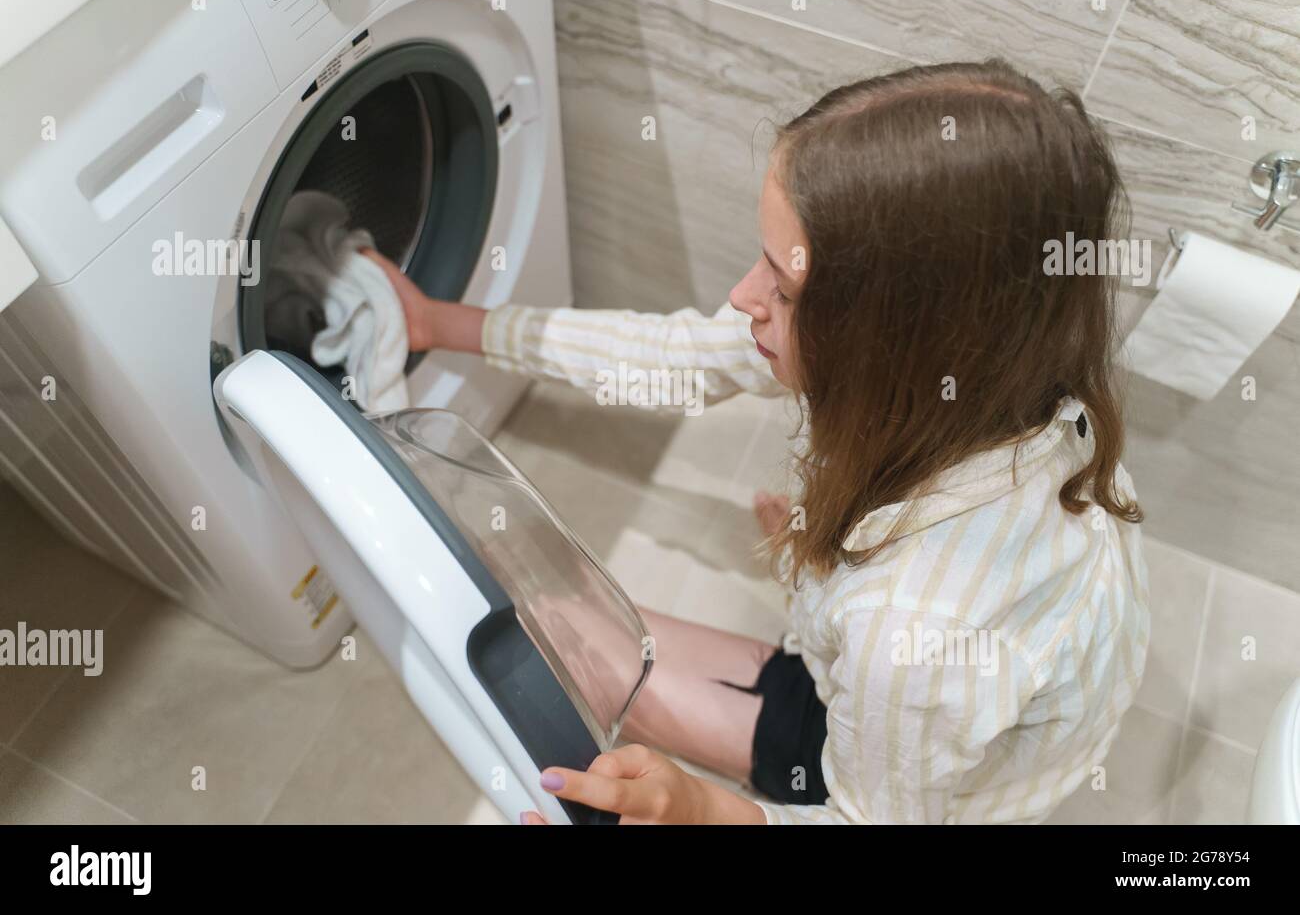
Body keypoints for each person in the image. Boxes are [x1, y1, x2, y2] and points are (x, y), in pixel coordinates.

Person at [361, 58, 1150, 824]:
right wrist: (442, 323)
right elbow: (670, 358)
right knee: (566, 618)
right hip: (927, 699)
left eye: (782, 283)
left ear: (893, 334)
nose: (743, 297)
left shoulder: (914, 637)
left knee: (565, 654)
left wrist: (703, 810)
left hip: (937, 780)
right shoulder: (1014, 377)